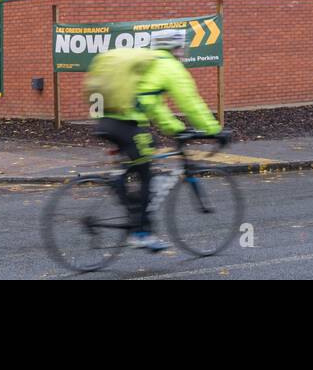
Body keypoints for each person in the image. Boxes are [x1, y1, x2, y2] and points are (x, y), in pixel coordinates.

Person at [91, 29, 225, 252]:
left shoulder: (146, 65)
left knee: (143, 151)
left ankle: (120, 187)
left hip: (106, 122)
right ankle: (141, 233)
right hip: (128, 126)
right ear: (175, 48)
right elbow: (190, 103)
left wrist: (175, 129)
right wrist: (214, 130)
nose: (184, 51)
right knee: (146, 175)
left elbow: (153, 104)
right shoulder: (169, 67)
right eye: (182, 47)